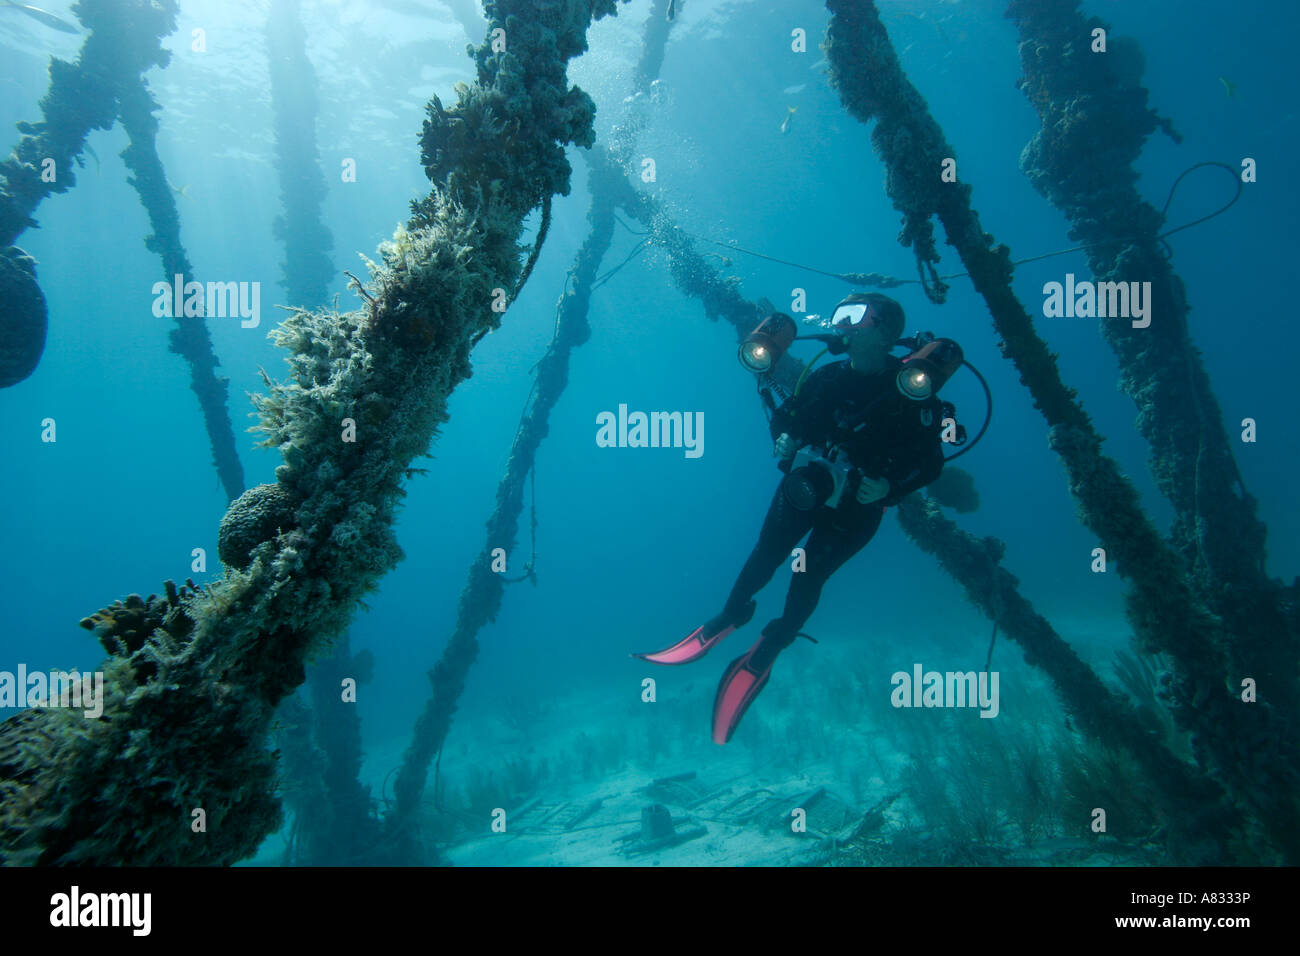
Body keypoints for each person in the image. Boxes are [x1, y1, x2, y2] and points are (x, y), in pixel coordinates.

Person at [634, 293, 947, 743]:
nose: (841, 325)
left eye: (855, 318)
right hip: (805, 486)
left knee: (809, 579)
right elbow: (785, 419)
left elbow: (931, 463)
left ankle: (771, 645)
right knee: (767, 553)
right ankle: (729, 616)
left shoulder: (912, 392)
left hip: (858, 508)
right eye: (839, 314)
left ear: (886, 333)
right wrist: (784, 443)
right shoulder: (825, 377)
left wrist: (890, 489)